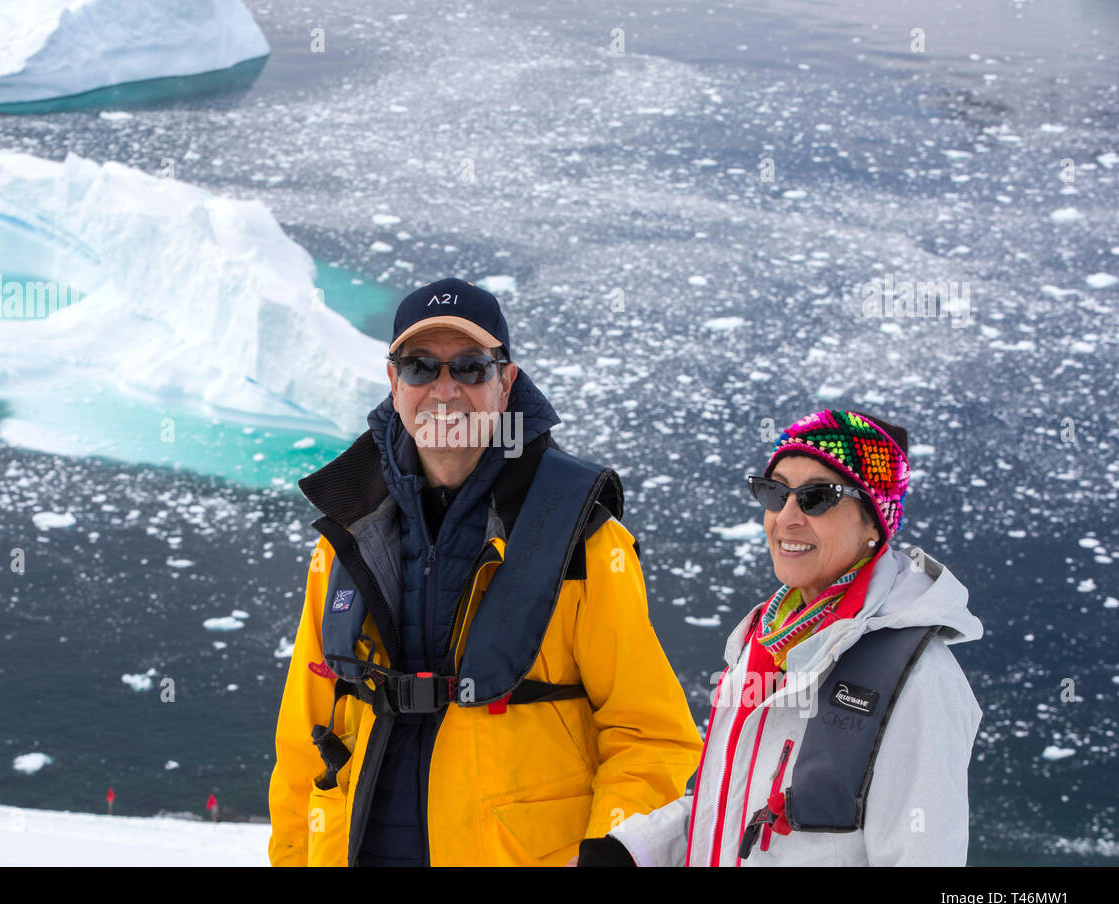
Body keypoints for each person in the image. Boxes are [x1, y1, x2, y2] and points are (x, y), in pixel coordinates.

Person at [268, 277, 702, 866]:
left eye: (471, 367)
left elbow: (649, 736)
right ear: (393, 382)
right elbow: (305, 736)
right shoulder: (348, 534)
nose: (444, 390)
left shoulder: (581, 536)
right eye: (420, 367)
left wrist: (607, 854)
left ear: (506, 382)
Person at [578, 408, 983, 866]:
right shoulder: (767, 641)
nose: (786, 518)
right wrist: (631, 851)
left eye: (817, 498)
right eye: (776, 492)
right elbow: (730, 806)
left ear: (875, 523)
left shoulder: (918, 680)